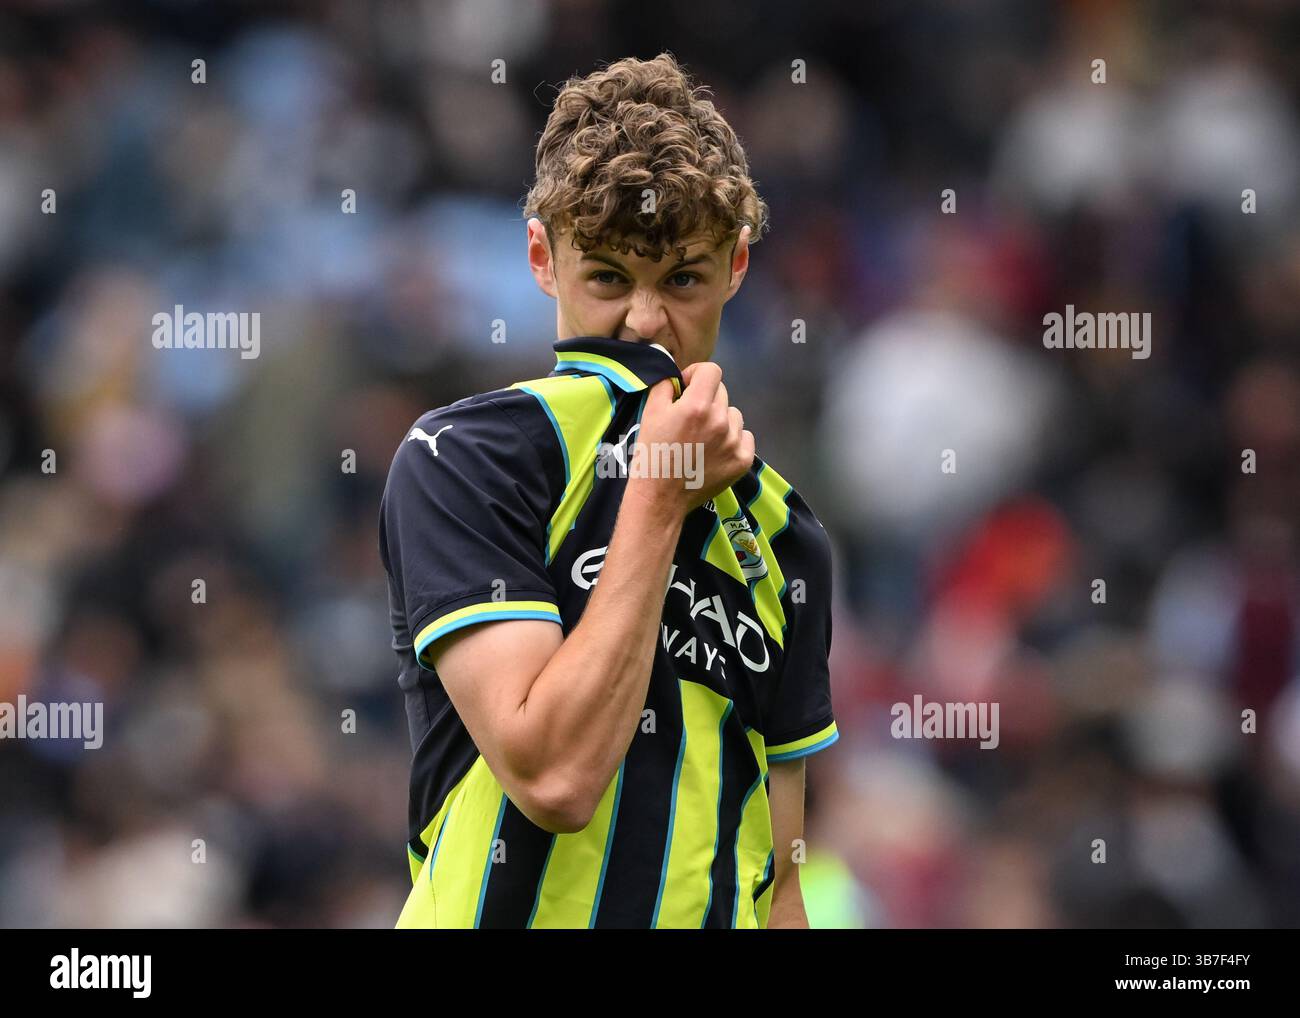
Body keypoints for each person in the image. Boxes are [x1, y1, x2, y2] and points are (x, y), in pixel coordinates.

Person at [380, 52, 837, 928]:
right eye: (608, 278)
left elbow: (779, 884)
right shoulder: (468, 458)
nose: (643, 322)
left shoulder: (786, 537)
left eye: (683, 280)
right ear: (541, 257)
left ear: (738, 267)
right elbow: (554, 777)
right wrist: (661, 499)